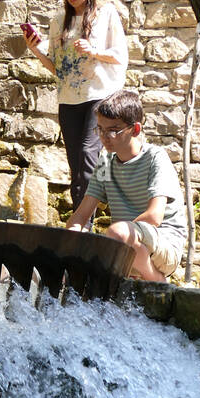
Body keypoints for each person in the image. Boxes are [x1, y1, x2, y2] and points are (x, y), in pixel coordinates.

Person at [21, 0, 128, 212]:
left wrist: (93, 51)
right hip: (68, 100)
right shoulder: (59, 21)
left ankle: (83, 225)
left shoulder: (106, 13)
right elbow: (58, 69)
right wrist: (35, 49)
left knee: (86, 155)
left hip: (99, 96)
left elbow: (120, 56)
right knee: (75, 164)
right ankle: (82, 220)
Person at [67, 89, 186, 282]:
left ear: (135, 129)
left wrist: (114, 241)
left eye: (113, 130)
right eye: (100, 129)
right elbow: (81, 216)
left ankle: (156, 281)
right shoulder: (105, 161)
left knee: (118, 232)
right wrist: (71, 240)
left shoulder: (156, 158)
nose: (105, 137)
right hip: (123, 245)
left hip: (163, 246)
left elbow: (154, 217)